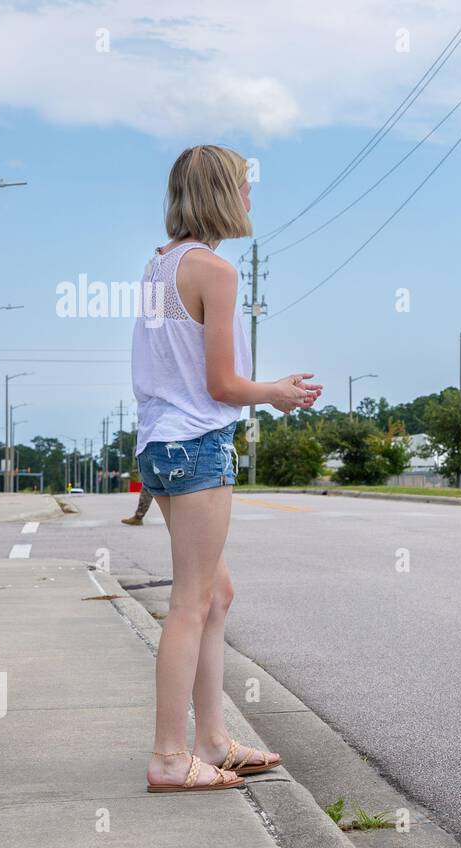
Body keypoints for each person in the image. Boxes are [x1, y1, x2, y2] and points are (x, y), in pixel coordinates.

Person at [134, 145, 322, 793]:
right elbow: (219, 384)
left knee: (217, 593)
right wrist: (275, 391)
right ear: (220, 193)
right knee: (190, 602)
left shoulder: (160, 265)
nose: (250, 198)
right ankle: (168, 755)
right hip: (198, 445)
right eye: (243, 187)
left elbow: (175, 372)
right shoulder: (215, 271)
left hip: (160, 446)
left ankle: (212, 740)